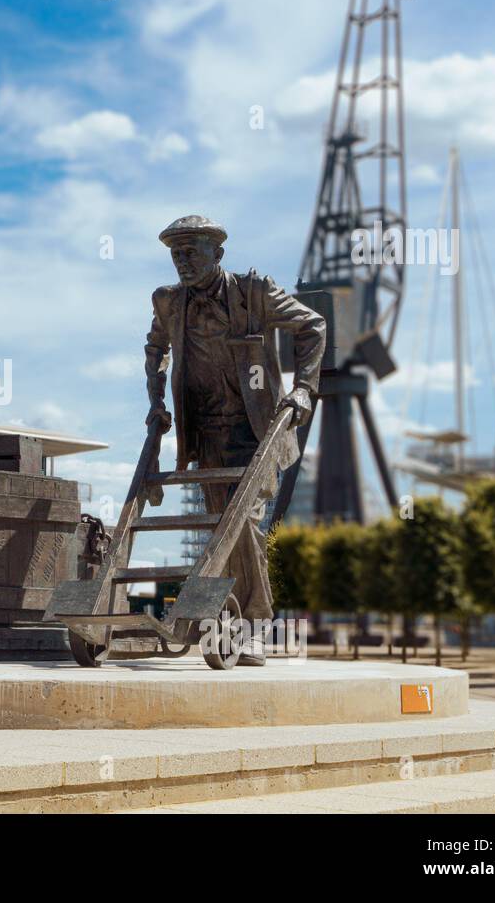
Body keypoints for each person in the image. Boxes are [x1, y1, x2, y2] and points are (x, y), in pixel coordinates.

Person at [144, 215, 326, 665]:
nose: (182, 261)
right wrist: (157, 402)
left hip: (258, 430)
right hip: (205, 433)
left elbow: (313, 326)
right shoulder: (168, 302)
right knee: (218, 530)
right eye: (175, 253)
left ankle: (255, 627)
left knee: (243, 523)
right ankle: (222, 624)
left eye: (192, 252)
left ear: (218, 254)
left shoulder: (254, 292)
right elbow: (155, 351)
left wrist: (304, 387)